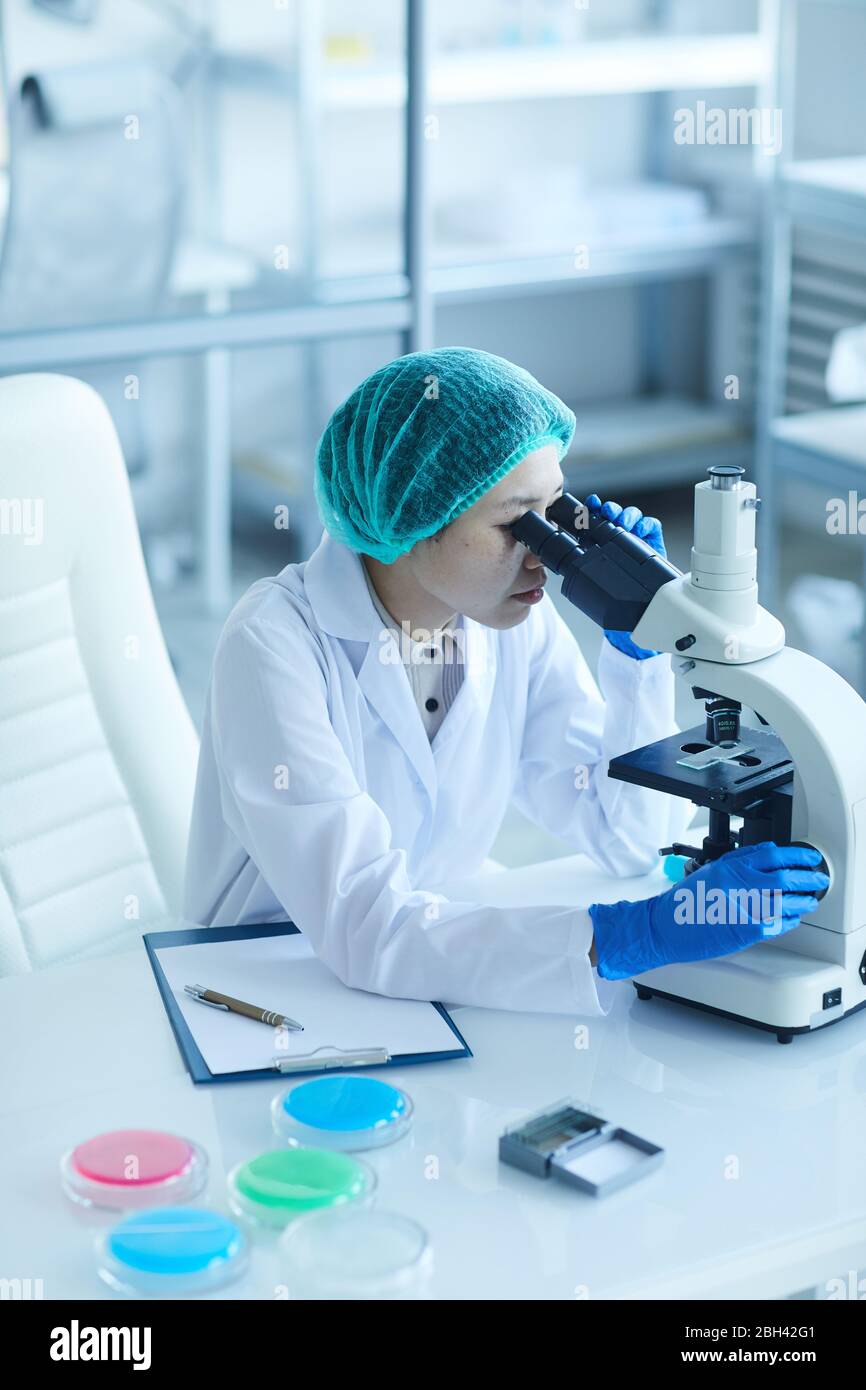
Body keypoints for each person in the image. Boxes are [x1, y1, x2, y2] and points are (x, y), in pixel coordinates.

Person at [183, 347, 828, 1014]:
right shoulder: (273, 645)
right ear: (416, 517)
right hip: (267, 987)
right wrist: (633, 934)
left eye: (555, 511)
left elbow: (626, 839)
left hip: (437, 963)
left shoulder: (505, 623)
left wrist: (639, 662)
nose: (545, 552)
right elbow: (366, 924)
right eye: (516, 522)